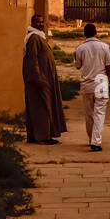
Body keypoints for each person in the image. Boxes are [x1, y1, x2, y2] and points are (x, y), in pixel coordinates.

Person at [22, 14, 67, 144]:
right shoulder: (34, 38)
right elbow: (32, 59)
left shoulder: (39, 36)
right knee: (41, 107)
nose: (41, 24)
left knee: (43, 105)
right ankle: (42, 137)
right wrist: (38, 78)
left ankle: (41, 135)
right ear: (33, 23)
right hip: (39, 79)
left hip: (43, 78)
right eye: (38, 22)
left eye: (42, 22)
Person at [74, 22, 110, 152]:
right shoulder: (104, 47)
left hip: (87, 83)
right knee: (99, 113)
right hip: (101, 82)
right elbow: (109, 67)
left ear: (84, 34)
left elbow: (78, 66)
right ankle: (96, 141)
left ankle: (91, 139)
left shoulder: (80, 48)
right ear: (96, 32)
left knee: (89, 115)